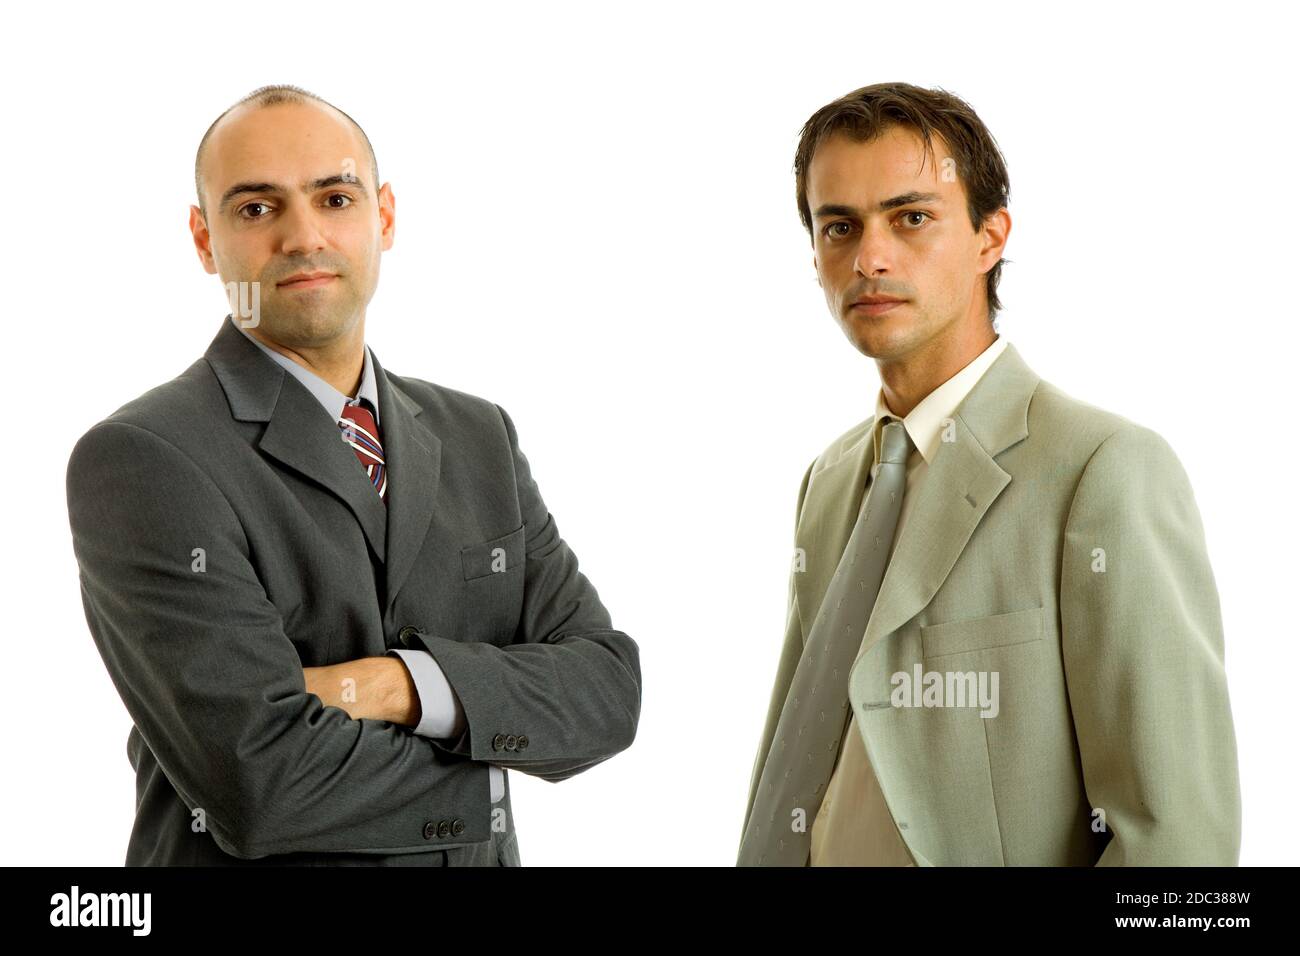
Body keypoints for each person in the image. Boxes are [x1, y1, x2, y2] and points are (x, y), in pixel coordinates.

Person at [66, 85, 640, 866]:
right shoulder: (145, 457)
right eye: (257, 209)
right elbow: (259, 783)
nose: (304, 238)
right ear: (205, 241)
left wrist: (395, 685)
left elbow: (607, 690)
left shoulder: (479, 436)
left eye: (334, 198)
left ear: (386, 216)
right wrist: (493, 773)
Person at [738, 82, 1239, 866]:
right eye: (840, 227)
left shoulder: (1101, 470)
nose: (869, 257)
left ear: (989, 237)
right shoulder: (831, 480)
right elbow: (798, 750)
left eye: (911, 218)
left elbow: (1178, 841)